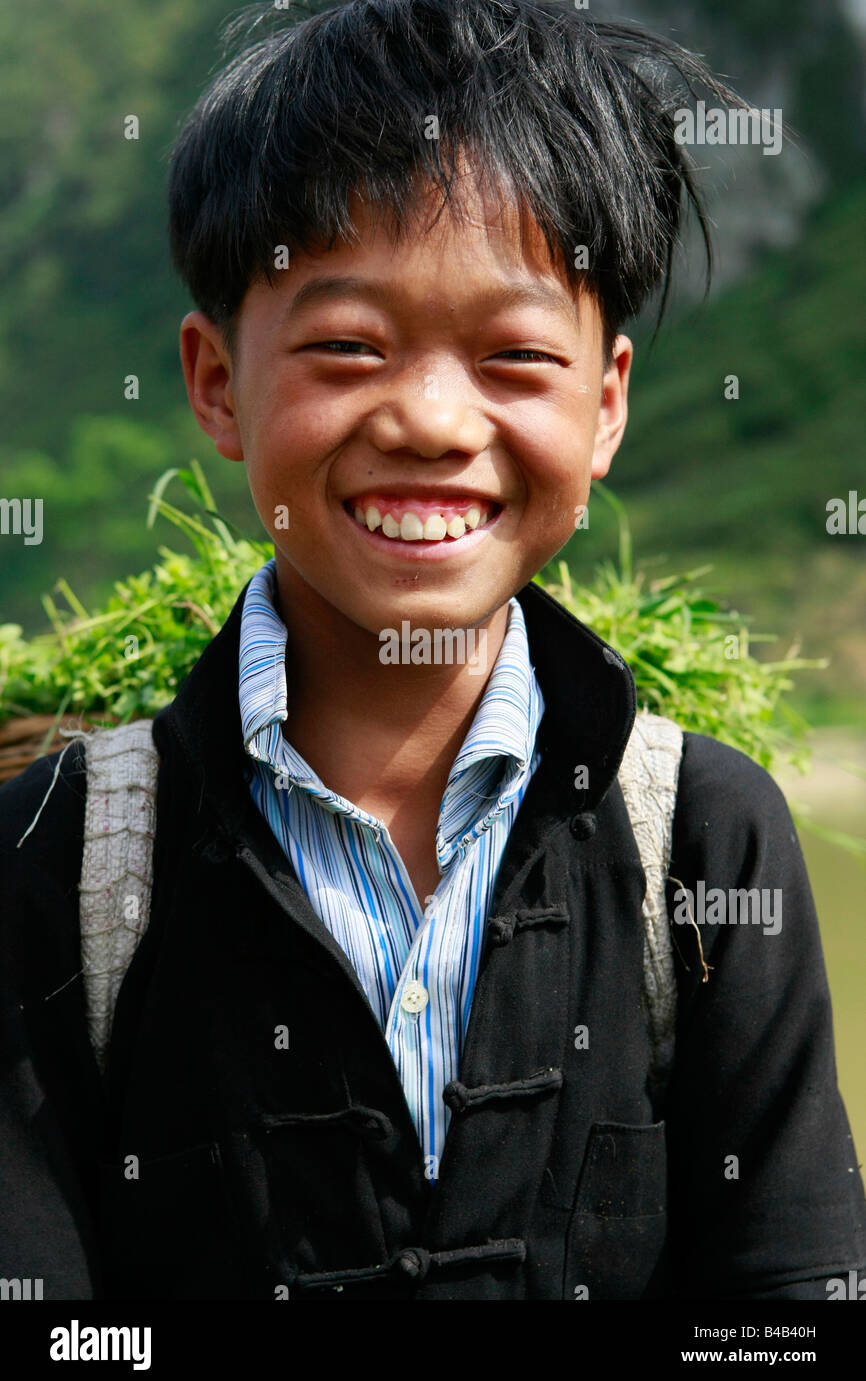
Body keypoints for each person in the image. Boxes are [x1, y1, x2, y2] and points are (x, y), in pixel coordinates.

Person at [1, 0, 864, 1301]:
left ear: (606, 401)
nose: (428, 419)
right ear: (217, 381)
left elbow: (788, 1305)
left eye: (514, 353)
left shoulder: (704, 836)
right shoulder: (58, 859)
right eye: (349, 345)